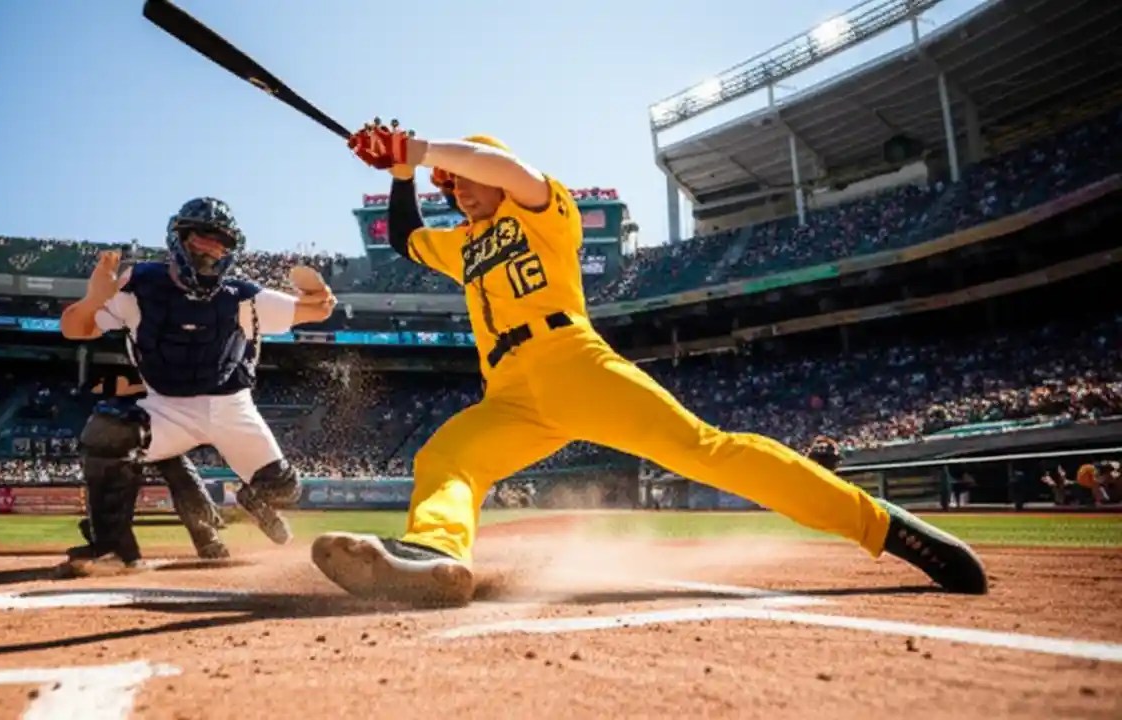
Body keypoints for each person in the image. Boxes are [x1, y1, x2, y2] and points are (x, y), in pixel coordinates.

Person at [310, 119, 988, 605]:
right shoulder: (462, 246)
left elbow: (510, 173)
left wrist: (422, 146)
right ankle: (436, 557)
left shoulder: (544, 211)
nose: (455, 188)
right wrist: (403, 170)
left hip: (571, 361)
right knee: (445, 457)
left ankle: (886, 528)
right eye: (448, 184)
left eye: (462, 177)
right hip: (511, 394)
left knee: (708, 452)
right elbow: (404, 235)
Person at [59, 197, 336, 574]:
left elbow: (320, 310)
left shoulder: (245, 298)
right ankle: (112, 549)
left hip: (231, 408)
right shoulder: (138, 286)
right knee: (109, 431)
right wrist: (94, 299)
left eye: (219, 242)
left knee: (285, 489)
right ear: (179, 238)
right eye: (202, 238)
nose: (211, 248)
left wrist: (318, 290)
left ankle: (253, 498)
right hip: (166, 409)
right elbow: (75, 329)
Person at [74, 366, 230, 560]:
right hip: (118, 425)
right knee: (110, 459)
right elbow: (90, 390)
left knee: (181, 473)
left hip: (156, 424)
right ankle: (110, 542)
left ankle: (207, 536)